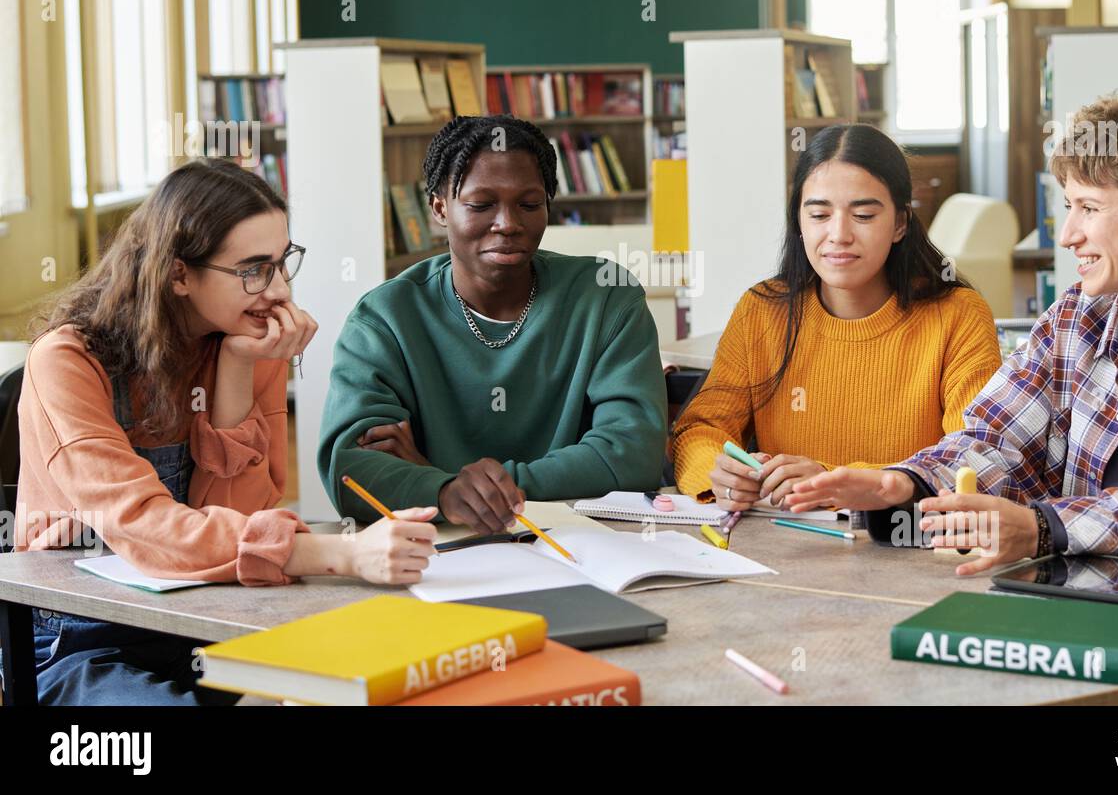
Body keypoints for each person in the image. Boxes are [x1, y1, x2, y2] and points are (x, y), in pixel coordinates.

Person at [786, 97, 1118, 705]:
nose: (1070, 233)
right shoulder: (1074, 319)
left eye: (1089, 208)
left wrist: (1046, 528)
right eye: (1068, 206)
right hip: (1073, 633)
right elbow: (995, 439)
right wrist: (907, 483)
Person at [14, 159, 438, 705]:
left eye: (284, 264)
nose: (280, 290)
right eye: (253, 269)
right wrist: (342, 554)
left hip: (203, 616)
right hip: (81, 641)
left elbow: (245, 521)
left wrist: (238, 372)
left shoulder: (246, 344)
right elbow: (146, 528)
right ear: (178, 274)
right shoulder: (67, 361)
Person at [318, 116, 667, 536]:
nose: (508, 223)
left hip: (584, 544)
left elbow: (632, 454)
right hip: (434, 552)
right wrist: (448, 491)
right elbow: (350, 472)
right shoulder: (383, 320)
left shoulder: (607, 299)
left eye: (529, 204)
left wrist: (443, 483)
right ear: (439, 208)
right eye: (481, 204)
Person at [671, 123, 1001, 509]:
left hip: (905, 551)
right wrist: (719, 471)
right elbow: (699, 428)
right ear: (799, 222)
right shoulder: (761, 311)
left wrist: (829, 481)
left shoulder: (957, 315)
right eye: (819, 215)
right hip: (784, 549)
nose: (838, 234)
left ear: (899, 224)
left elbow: (976, 460)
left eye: (863, 215)